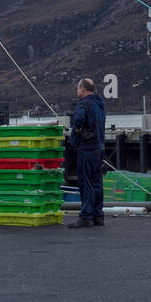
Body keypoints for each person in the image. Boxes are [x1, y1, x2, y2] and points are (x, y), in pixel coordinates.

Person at [67, 78, 107, 229]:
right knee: (97, 181)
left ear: (82, 89)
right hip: (99, 147)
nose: (77, 91)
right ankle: (98, 215)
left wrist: (78, 132)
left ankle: (86, 216)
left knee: (86, 182)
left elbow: (78, 120)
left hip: (87, 148)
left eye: (78, 88)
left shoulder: (83, 103)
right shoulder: (99, 103)